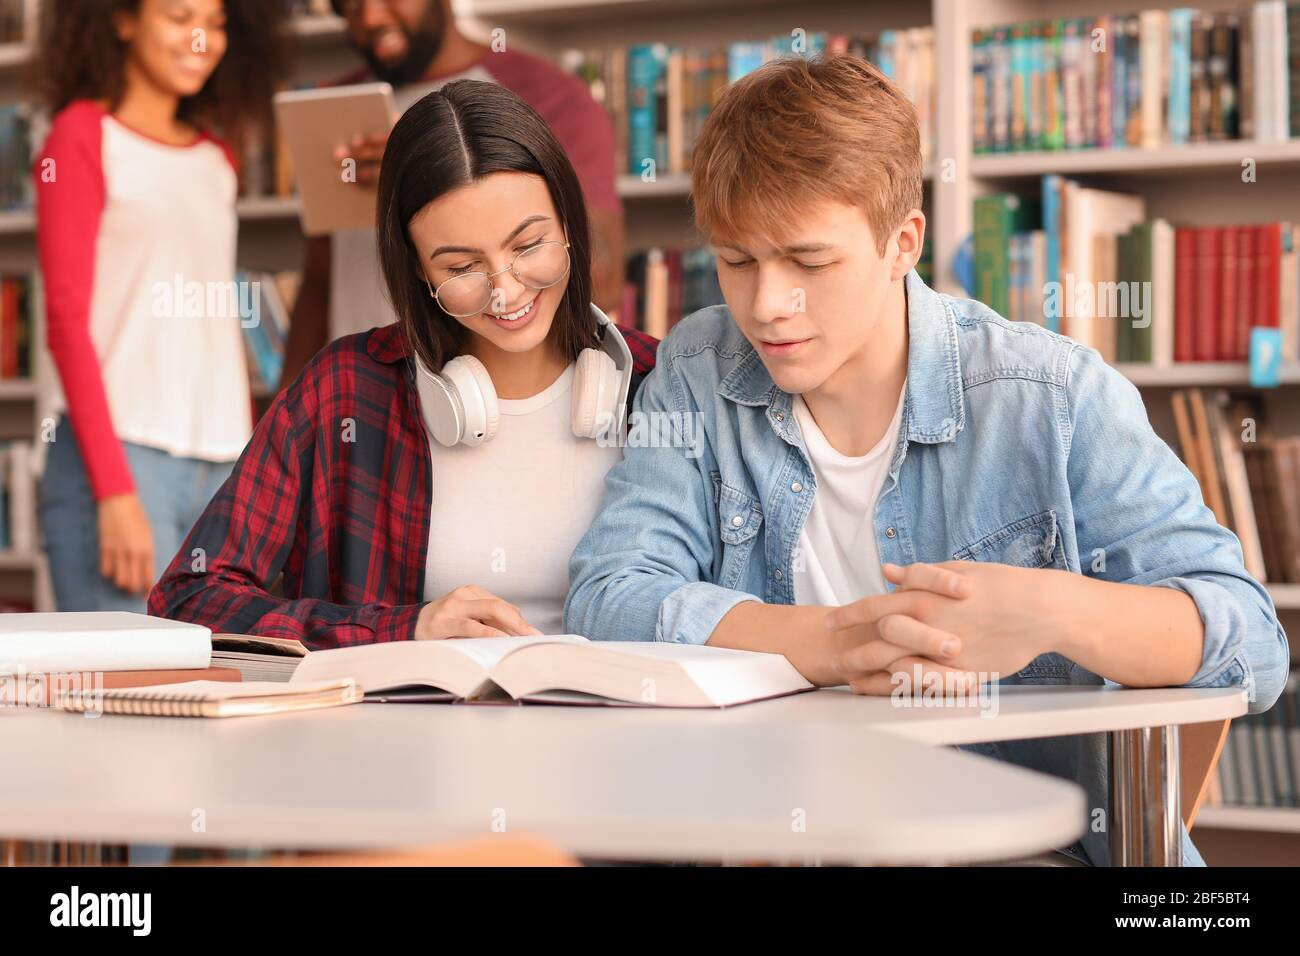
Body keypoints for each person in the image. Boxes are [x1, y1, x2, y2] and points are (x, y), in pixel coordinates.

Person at [564, 55, 1290, 866]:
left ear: (902, 241)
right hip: (769, 835)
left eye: (807, 262)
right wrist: (832, 639)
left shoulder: (1048, 395)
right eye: (737, 262)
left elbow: (1252, 646)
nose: (768, 306)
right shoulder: (699, 369)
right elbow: (610, 597)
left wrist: (1049, 612)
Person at [149, 79, 656, 645]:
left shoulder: (660, 383)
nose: (505, 293)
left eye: (528, 246)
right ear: (417, 268)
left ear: (568, 223)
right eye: (462, 267)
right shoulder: (346, 391)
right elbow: (188, 597)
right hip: (407, 730)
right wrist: (404, 628)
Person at [35, 0, 284, 611]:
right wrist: (115, 493)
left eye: (217, 23)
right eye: (179, 16)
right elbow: (66, 325)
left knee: (216, 683)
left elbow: (211, 328)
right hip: (120, 459)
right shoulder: (81, 135)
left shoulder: (217, 160)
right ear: (121, 20)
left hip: (223, 463)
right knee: (125, 691)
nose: (202, 39)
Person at [280, 0, 623, 386]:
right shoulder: (332, 108)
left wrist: (428, 166)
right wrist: (283, 411)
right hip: (365, 403)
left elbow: (601, 276)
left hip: (496, 399)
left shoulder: (549, 97)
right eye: (353, 6)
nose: (372, 18)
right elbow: (319, 282)